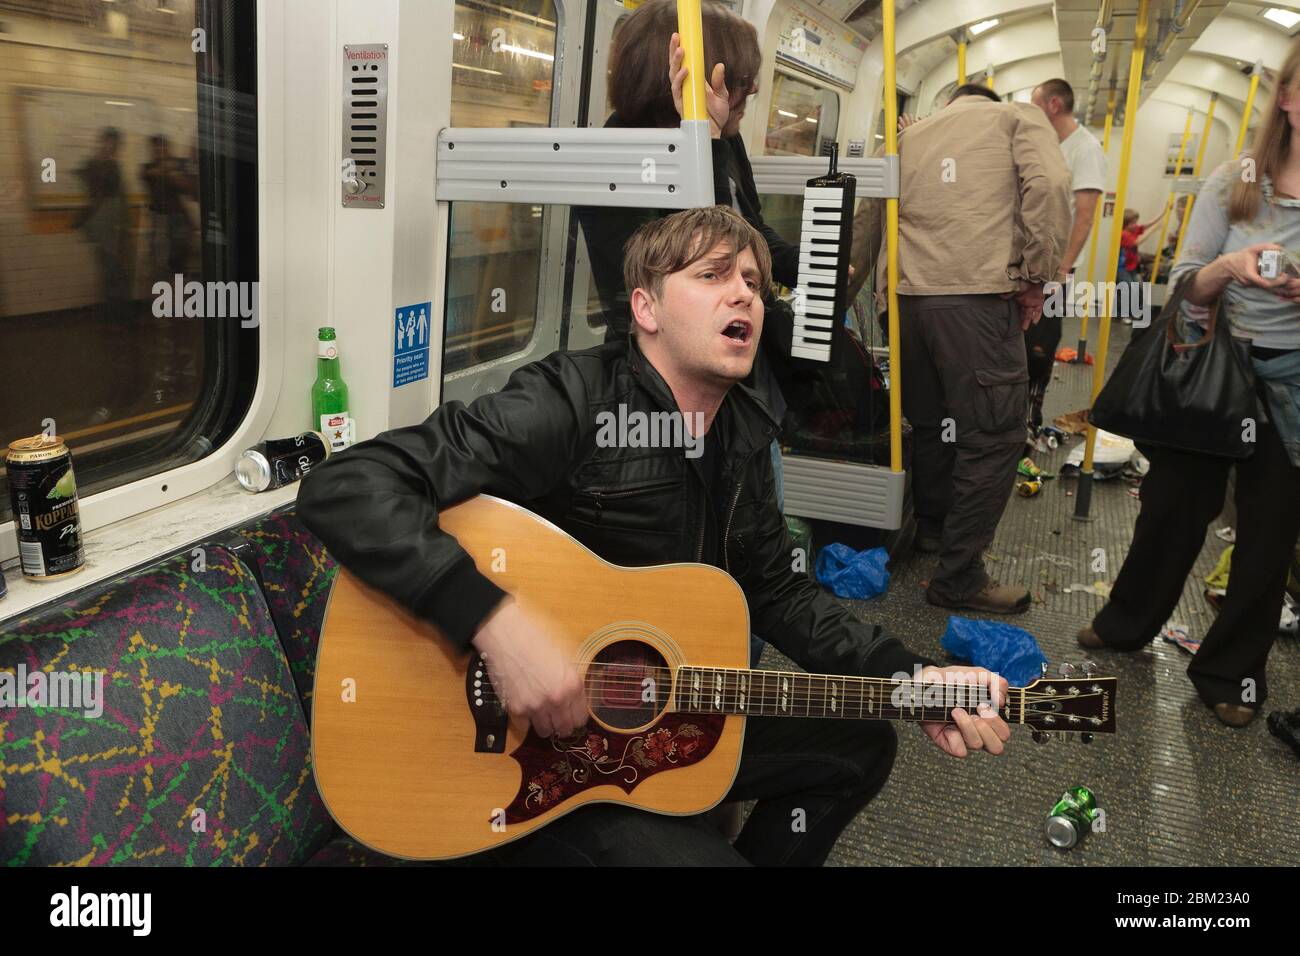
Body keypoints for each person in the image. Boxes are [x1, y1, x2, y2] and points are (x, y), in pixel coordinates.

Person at [297, 206, 1010, 866]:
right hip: (520, 755)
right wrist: (495, 624)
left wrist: (913, 676)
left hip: (646, 720)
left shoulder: (743, 430)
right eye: (712, 276)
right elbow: (347, 485)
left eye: (754, 284)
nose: (745, 296)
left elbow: (777, 593)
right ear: (646, 308)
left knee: (859, 743)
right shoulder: (569, 400)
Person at [1079, 36, 1300, 728]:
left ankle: (1230, 673)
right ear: (1288, 98)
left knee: (1269, 536)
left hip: (1295, 388)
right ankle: (1126, 623)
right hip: (1218, 373)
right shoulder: (1232, 183)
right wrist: (1232, 269)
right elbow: (1182, 288)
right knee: (1172, 509)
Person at [879, 83, 1071, 613]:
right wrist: (1038, 274)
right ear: (989, 99)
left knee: (932, 425)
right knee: (993, 438)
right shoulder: (1017, 117)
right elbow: (1051, 184)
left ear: (950, 103)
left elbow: (872, 206)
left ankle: (935, 533)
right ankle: (959, 578)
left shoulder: (908, 134)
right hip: (975, 303)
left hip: (903, 304)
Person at [1028, 78, 1106, 430]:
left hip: (1059, 268)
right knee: (1023, 338)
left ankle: (1031, 412)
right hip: (1034, 263)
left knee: (1041, 344)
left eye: (1035, 104)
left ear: (1054, 105)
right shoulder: (1049, 144)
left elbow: (1085, 214)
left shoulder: (1085, 148)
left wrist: (1063, 268)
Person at [75, 128, 132, 320]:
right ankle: (113, 316)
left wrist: (127, 228)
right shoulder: (92, 165)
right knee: (109, 272)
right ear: (101, 142)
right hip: (102, 228)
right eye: (108, 143)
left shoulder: (114, 166)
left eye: (114, 145)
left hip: (116, 228)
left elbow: (121, 200)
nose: (111, 148)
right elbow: (94, 196)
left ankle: (119, 314)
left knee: (118, 272)